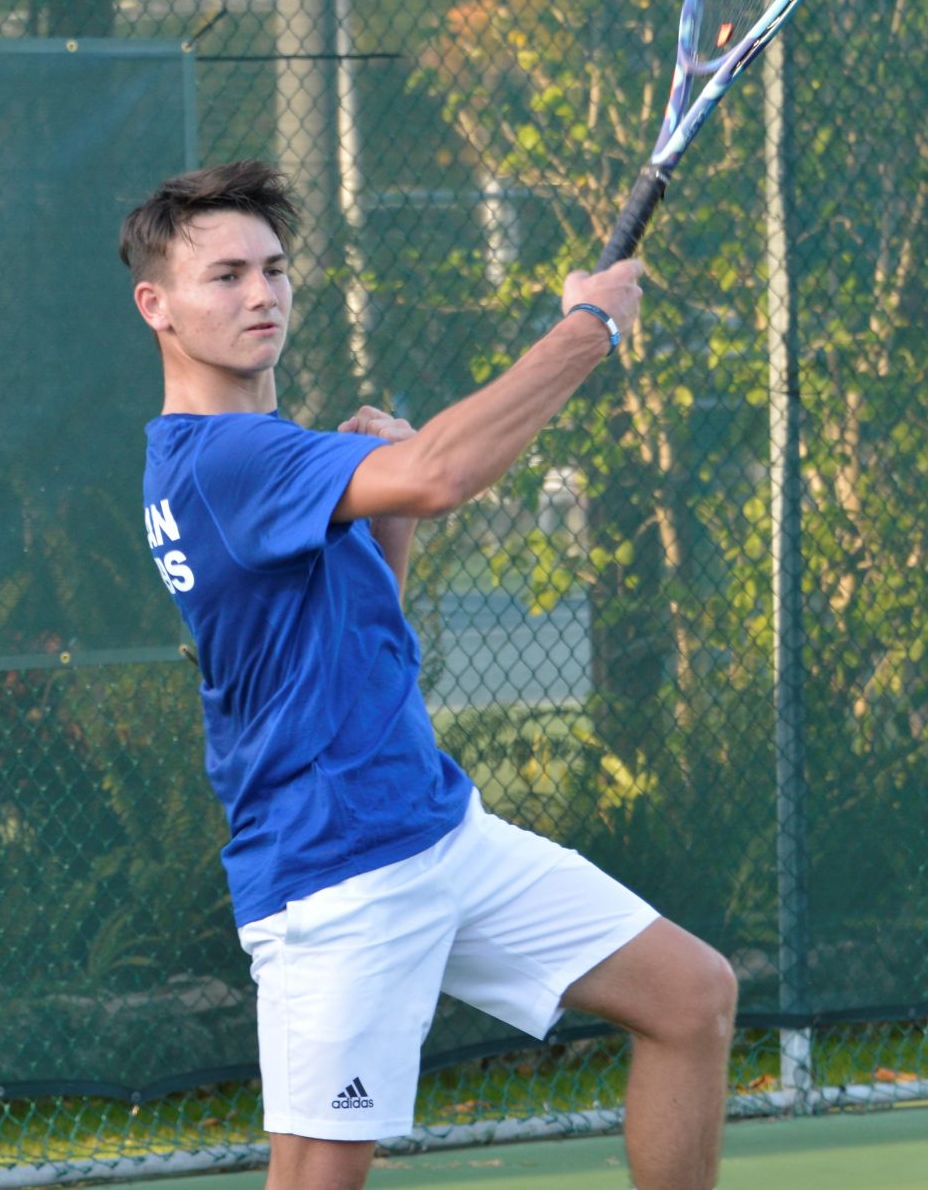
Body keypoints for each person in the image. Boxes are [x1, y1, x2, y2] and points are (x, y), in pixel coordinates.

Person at [129, 162, 736, 1190]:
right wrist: (588, 325)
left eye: (273, 269)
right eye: (223, 276)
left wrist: (388, 513)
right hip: (338, 875)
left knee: (692, 997)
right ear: (157, 305)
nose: (261, 293)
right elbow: (449, 470)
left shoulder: (276, 457)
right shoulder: (221, 460)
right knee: (319, 1177)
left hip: (437, 828)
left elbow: (365, 629)